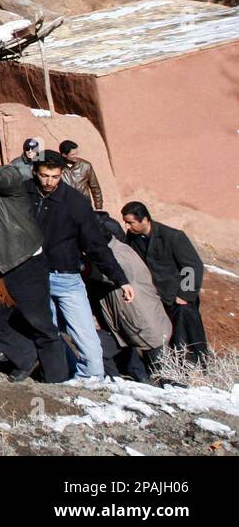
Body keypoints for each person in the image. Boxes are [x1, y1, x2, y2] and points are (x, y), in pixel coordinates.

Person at [29, 152, 133, 379]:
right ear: (35, 172)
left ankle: (92, 382)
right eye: (44, 176)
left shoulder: (75, 203)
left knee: (87, 339)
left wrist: (120, 278)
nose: (49, 182)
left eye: (55, 177)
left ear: (62, 174)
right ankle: (62, 376)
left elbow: (96, 245)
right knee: (48, 335)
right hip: (34, 276)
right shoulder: (24, 193)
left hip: (67, 278)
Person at [0, 159, 68, 383]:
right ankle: (27, 357)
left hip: (24, 262)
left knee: (40, 324)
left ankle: (57, 381)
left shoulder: (8, 182)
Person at [121, 201, 210, 365]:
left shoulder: (173, 236)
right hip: (157, 299)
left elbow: (192, 265)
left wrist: (185, 295)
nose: (127, 226)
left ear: (144, 219)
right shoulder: (133, 239)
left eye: (130, 222)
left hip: (179, 300)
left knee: (188, 340)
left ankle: (198, 372)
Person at [88, 215, 172, 383]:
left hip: (145, 324)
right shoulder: (116, 249)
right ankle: (129, 383)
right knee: (104, 349)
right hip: (129, 322)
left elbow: (112, 274)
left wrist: (84, 267)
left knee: (163, 375)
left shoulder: (119, 254)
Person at [59, 140, 104, 210]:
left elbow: (95, 187)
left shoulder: (86, 166)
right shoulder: (57, 168)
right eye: (73, 154)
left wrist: (99, 207)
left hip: (84, 206)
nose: (76, 156)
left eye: (77, 153)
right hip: (64, 207)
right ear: (64, 155)